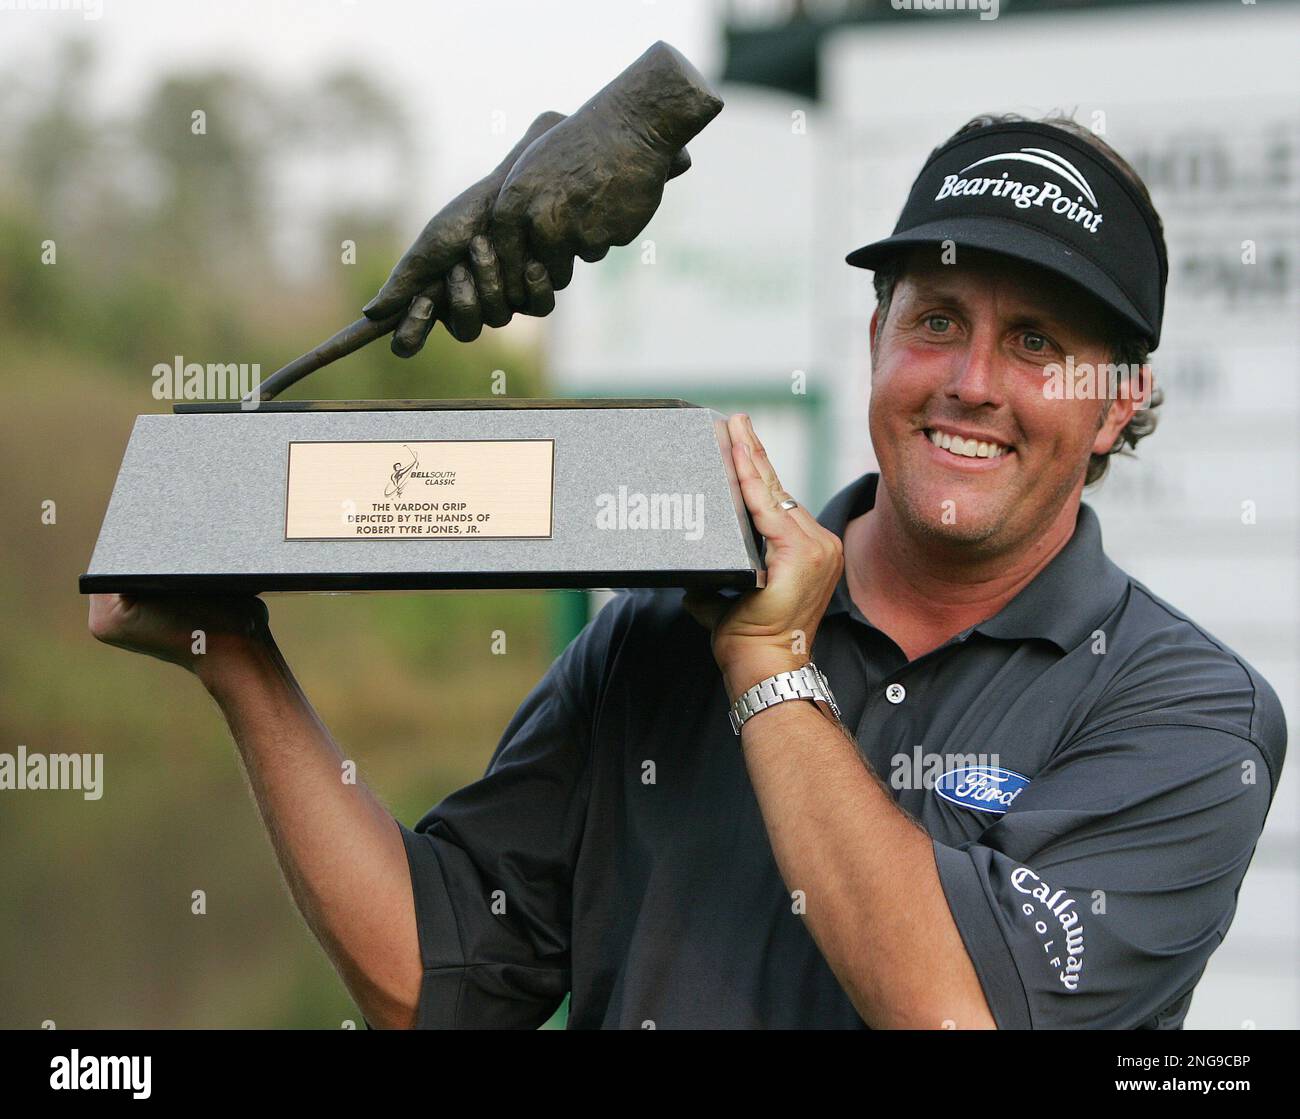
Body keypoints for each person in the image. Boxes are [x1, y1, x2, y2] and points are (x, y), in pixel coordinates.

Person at [88, 113, 1286, 1030]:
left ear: (1120, 401)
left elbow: (956, 1012)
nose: (970, 379)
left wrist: (768, 667)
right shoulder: (658, 628)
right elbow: (433, 980)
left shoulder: (1187, 715)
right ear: (876, 340)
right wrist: (231, 655)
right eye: (936, 320)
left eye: (1036, 342)